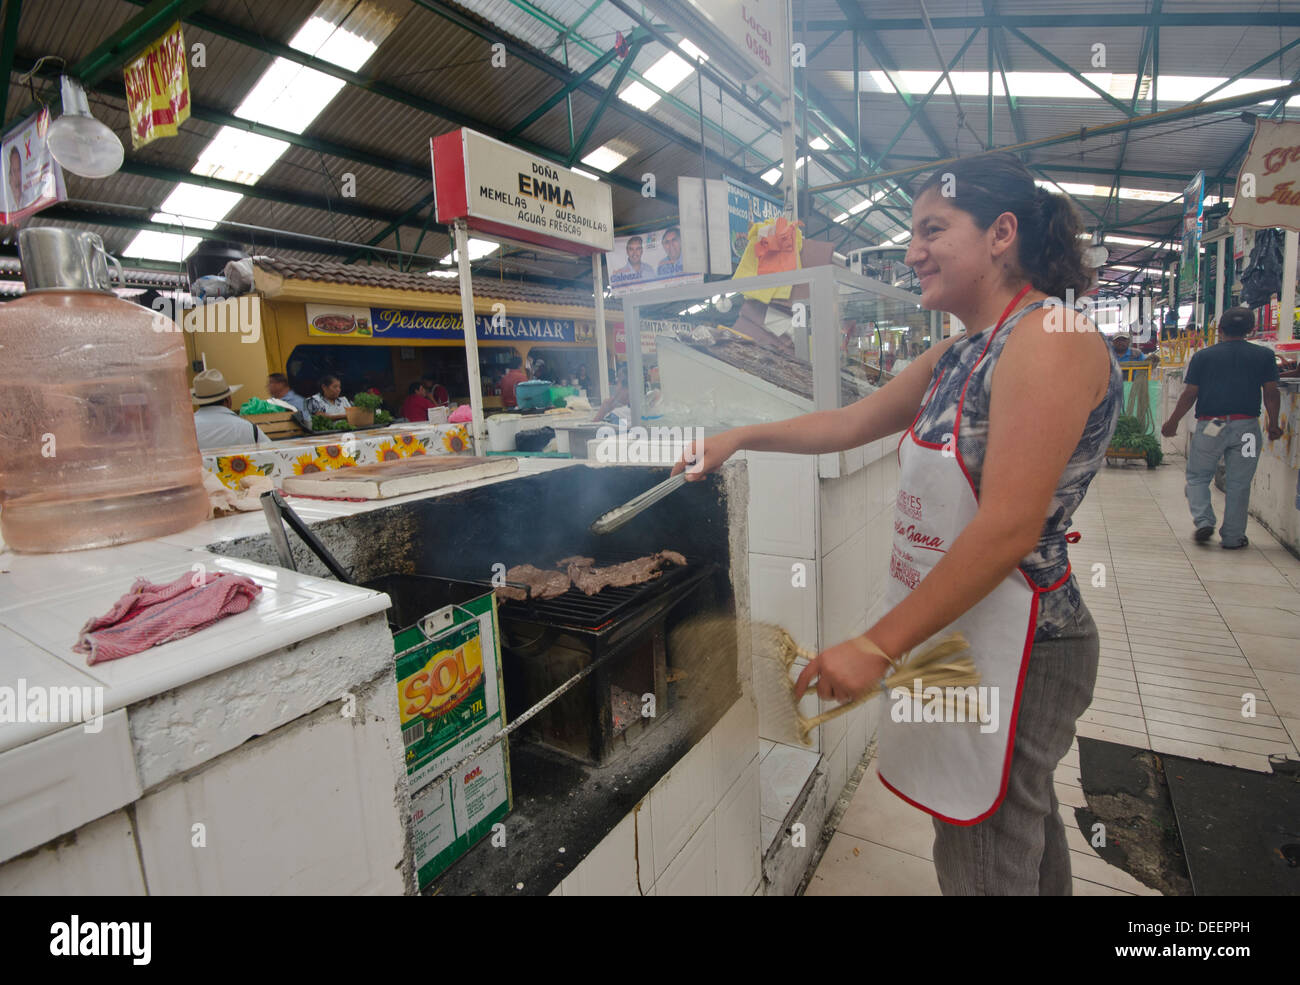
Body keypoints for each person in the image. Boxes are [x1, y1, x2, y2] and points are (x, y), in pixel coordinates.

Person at [673, 152, 1121, 896]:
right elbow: (851, 422)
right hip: (963, 630)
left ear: (1001, 233)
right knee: (1007, 823)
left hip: (1025, 640)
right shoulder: (957, 352)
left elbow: (1009, 528)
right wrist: (740, 436)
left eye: (932, 230)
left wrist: (879, 643)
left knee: (985, 852)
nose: (912, 251)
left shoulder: (1051, 339)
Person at [1161, 306, 1282, 548]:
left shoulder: (1203, 357)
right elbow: (1271, 392)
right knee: (1239, 483)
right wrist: (1274, 424)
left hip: (1211, 426)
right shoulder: (1264, 356)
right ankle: (1234, 537)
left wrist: (1172, 421)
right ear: (1251, 329)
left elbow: (1189, 394)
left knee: (1197, 477)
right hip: (1247, 428)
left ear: (1220, 329)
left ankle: (1204, 520)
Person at [192, 369, 272, 450]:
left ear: (199, 402)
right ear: (228, 400)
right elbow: (272, 452)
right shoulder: (247, 428)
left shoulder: (187, 430)